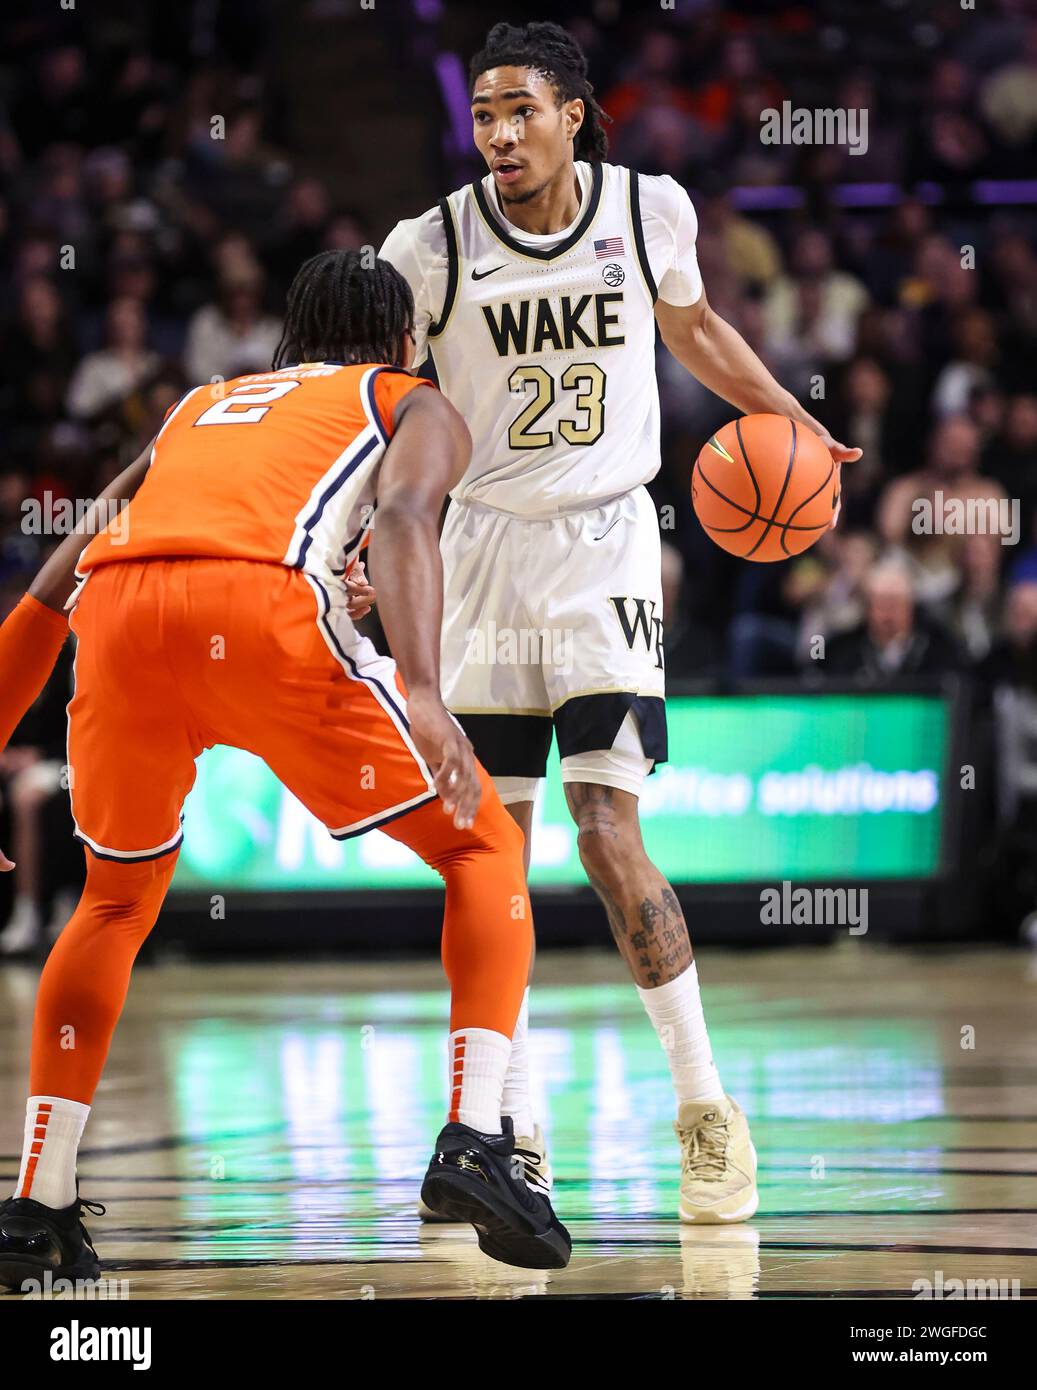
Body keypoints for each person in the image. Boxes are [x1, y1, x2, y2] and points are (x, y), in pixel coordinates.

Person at [0, 250, 571, 1288]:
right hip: (257, 608)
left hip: (118, 618)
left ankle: (36, 1205)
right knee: (481, 841)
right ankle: (473, 1135)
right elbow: (402, 520)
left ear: (291, 338)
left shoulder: (198, 404)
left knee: (113, 906)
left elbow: (52, 583)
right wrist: (426, 687)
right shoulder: (407, 396)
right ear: (405, 338)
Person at [379, 20, 860, 1223]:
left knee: (602, 831)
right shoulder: (425, 245)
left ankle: (704, 1108)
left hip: (602, 544)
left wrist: (788, 421)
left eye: (519, 110)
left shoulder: (648, 212)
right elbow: (379, 400)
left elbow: (692, 330)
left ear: (575, 113)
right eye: (482, 112)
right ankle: (511, 1129)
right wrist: (353, 539)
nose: (496, 132)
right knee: (487, 855)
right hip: (475, 549)